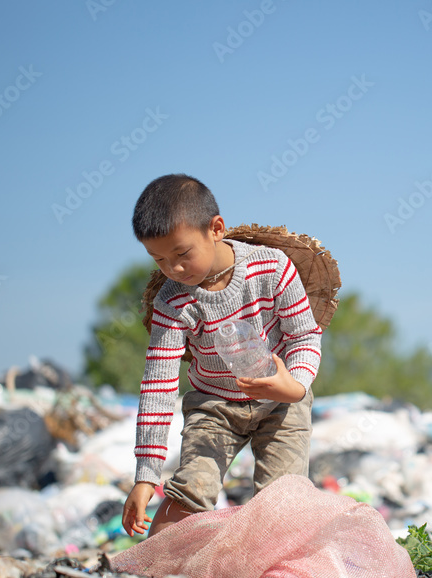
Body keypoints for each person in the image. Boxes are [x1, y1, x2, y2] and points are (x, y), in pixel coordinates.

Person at [121, 174, 322, 537]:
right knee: (189, 494)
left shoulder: (272, 268)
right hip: (213, 407)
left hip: (282, 403)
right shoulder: (172, 302)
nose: (173, 269)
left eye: (182, 254)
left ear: (216, 229)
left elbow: (305, 336)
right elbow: (158, 387)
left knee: (285, 506)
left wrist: (294, 387)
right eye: (159, 259)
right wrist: (146, 476)